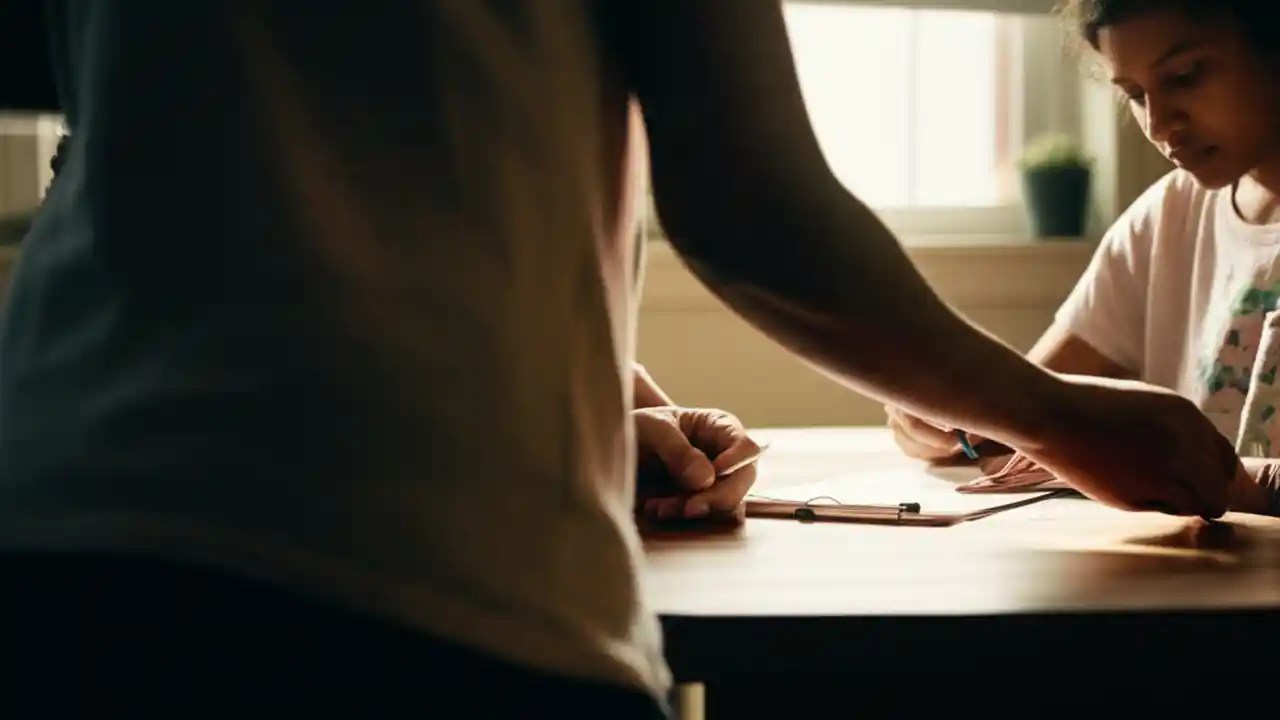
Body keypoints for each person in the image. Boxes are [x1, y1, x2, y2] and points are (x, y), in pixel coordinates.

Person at [0, 1, 1246, 714]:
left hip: (58, 539)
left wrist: (591, 386)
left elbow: (184, 141)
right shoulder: (1166, 225)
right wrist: (1058, 420)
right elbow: (748, 209)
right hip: (413, 575)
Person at [887, 0, 1280, 517]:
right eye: (1136, 95)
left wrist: (1218, 478)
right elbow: (1028, 407)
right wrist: (950, 417)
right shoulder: (1168, 217)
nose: (1160, 125)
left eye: (1186, 76)